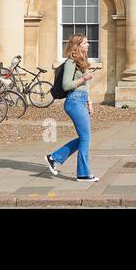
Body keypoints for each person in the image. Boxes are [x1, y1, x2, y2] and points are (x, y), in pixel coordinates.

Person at [45, 34, 100, 181]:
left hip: (81, 101)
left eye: (87, 42)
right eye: (85, 43)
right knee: (85, 138)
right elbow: (66, 85)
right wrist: (84, 78)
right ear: (77, 46)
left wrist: (89, 102)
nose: (88, 45)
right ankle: (82, 174)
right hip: (74, 102)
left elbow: (83, 87)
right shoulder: (70, 62)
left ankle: (54, 157)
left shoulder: (81, 62)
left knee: (84, 137)